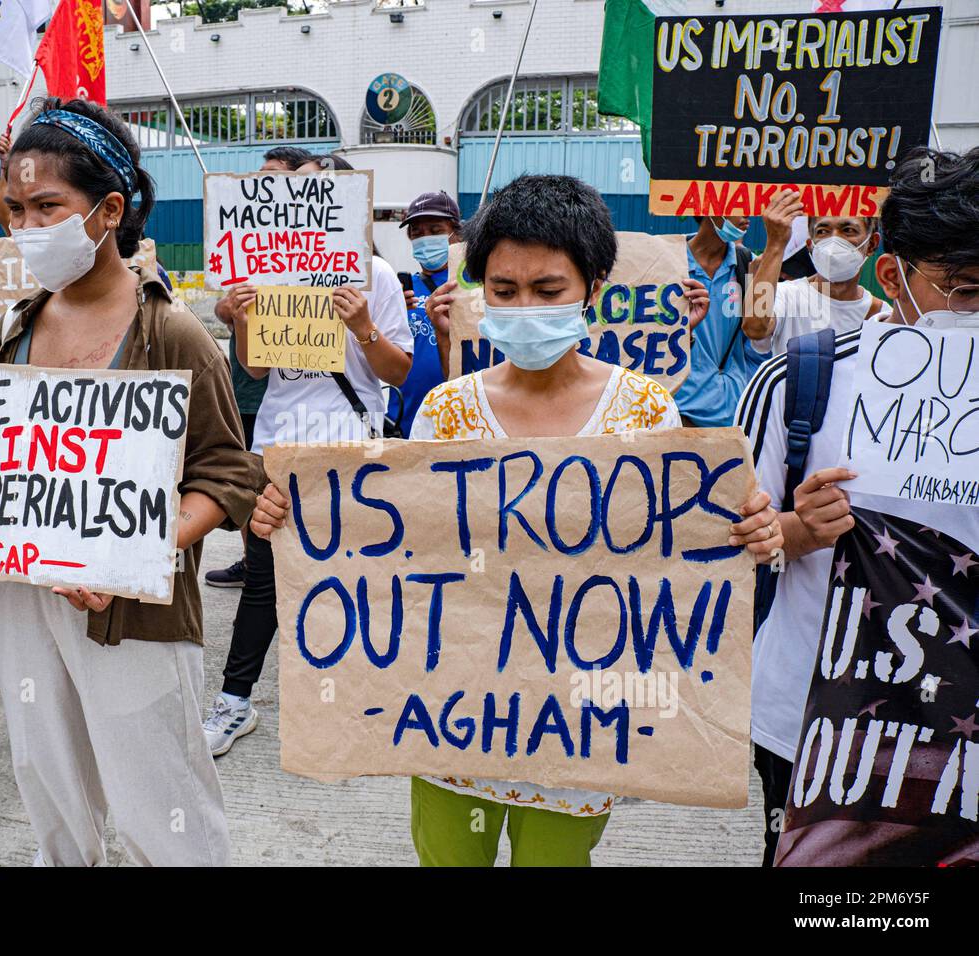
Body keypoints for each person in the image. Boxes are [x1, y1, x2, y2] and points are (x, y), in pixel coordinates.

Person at [246, 174, 780, 866]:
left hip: (582, 727)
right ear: (481, 293)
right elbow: (395, 542)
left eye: (547, 290)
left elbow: (674, 556)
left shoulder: (647, 412)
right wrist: (298, 513)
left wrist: (750, 532)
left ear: (592, 287)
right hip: (450, 722)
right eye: (503, 290)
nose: (524, 307)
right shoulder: (445, 411)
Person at [0, 97, 262, 866]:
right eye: (11, 208)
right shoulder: (15, 327)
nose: (25, 226)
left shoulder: (172, 333)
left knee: (160, 798)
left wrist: (133, 550)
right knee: (50, 783)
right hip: (21, 606)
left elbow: (227, 474)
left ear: (109, 209)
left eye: (46, 206)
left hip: (130, 614)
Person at [737, 146, 979, 867]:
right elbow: (729, 545)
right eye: (964, 290)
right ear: (893, 277)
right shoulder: (799, 382)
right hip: (820, 732)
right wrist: (798, 530)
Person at [202, 152, 415, 757]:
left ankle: (360, 698)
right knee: (266, 581)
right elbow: (255, 366)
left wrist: (364, 324)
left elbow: (397, 372)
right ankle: (235, 703)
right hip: (280, 448)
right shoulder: (270, 276)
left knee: (357, 574)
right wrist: (244, 317)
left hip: (351, 451)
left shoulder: (375, 274)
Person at [204, 145, 311, 589]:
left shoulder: (310, 253)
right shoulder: (251, 249)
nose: (259, 183)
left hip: (288, 390)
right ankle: (254, 562)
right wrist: (231, 309)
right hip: (245, 387)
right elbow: (220, 306)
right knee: (252, 480)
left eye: (271, 175)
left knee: (285, 488)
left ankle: (288, 565)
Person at [742, 192, 890, 357]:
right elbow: (754, 327)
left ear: (872, 244)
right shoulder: (786, 295)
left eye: (848, 230)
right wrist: (775, 243)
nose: (834, 241)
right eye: (822, 231)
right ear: (810, 245)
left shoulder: (882, 316)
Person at [675, 213, 767, 427]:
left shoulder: (749, 264)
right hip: (678, 412)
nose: (748, 213)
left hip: (732, 416)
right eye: (738, 203)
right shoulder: (670, 260)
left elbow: (761, 341)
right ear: (710, 209)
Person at [387, 189, 465, 437]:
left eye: (435, 230)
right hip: (403, 418)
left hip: (459, 416)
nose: (425, 239)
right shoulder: (400, 289)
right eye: (416, 233)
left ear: (456, 234)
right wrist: (392, 313)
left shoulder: (474, 286)